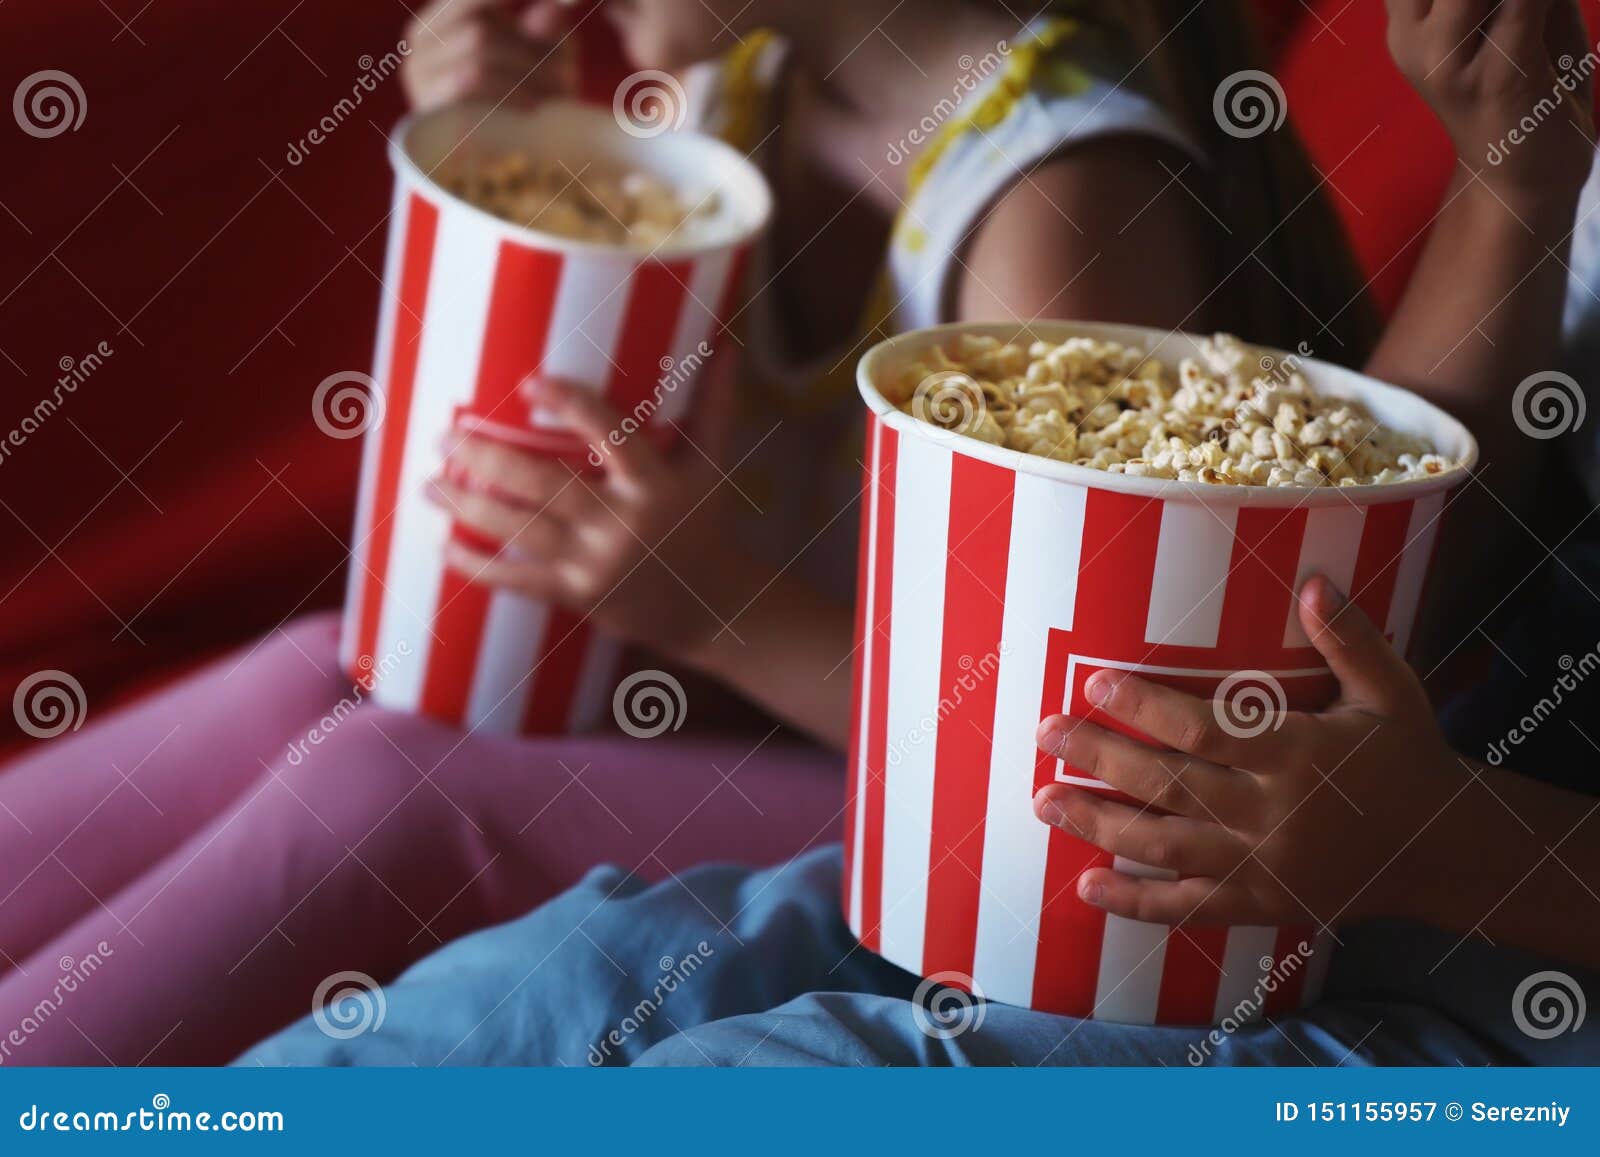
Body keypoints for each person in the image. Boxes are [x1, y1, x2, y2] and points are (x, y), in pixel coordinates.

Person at [238, 0, 1600, 1066]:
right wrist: (1516, 182)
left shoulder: (1053, 201)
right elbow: (1415, 566)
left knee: (433, 823)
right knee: (539, 990)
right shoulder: (743, 90)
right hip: (1343, 835)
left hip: (1411, 955)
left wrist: (1439, 839)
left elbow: (1055, 728)